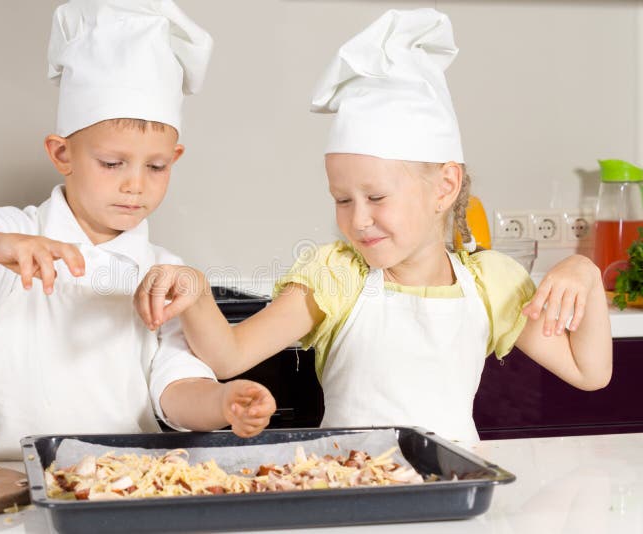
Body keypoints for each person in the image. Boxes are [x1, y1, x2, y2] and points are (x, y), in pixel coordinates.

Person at [134, 8, 612, 443]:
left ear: (444, 187)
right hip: (348, 486)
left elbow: (590, 373)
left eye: (376, 197)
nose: (357, 220)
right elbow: (228, 357)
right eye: (342, 200)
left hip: (447, 490)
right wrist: (194, 291)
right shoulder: (338, 275)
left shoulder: (493, 284)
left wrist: (584, 273)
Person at [0, 0, 275, 462]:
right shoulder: (13, 237)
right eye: (112, 163)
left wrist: (221, 403)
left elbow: (175, 390)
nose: (135, 184)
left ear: (175, 158)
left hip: (120, 487)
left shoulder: (165, 274)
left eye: (155, 166)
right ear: (62, 154)